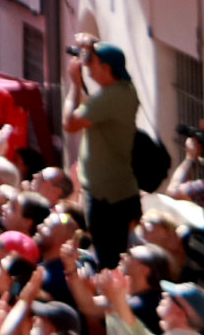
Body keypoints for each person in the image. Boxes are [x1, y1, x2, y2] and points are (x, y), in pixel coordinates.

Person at [68, 42, 145, 256]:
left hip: (107, 199)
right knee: (115, 255)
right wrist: (90, 46)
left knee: (109, 258)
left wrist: (75, 84)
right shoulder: (121, 91)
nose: (87, 66)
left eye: (91, 62)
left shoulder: (111, 96)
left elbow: (70, 123)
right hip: (115, 193)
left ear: (106, 68)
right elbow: (89, 109)